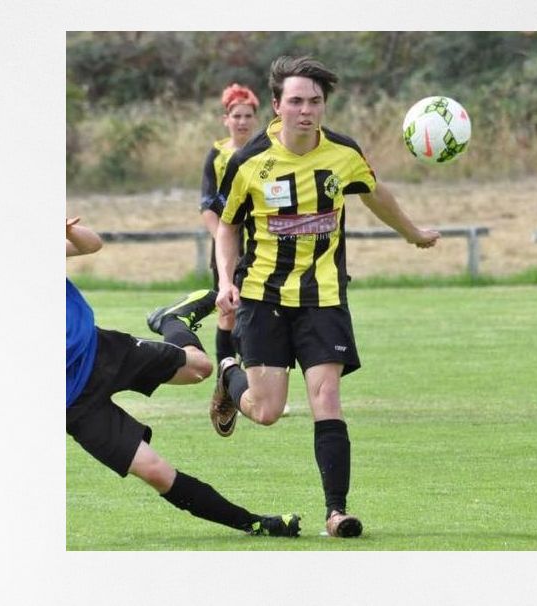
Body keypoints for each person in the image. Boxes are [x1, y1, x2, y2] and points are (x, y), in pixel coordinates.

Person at [210, 56, 441, 538]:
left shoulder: (343, 153)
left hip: (324, 295)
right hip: (263, 296)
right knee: (267, 411)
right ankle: (228, 373)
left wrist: (413, 233)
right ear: (277, 105)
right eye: (296, 101)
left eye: (314, 101)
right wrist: (227, 280)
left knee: (327, 395)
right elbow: (227, 225)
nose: (306, 110)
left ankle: (337, 513)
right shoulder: (248, 161)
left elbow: (375, 193)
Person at [66, 216, 300, 538]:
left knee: (199, 368)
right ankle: (255, 523)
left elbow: (92, 244)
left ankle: (173, 320)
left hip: (103, 352)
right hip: (74, 406)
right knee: (155, 472)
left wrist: (68, 231)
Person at [146, 82, 291, 414]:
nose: (242, 122)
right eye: (236, 116)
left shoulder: (267, 151)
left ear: (257, 118)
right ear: (225, 119)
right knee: (230, 311)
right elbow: (208, 207)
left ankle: (244, 381)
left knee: (260, 313)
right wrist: (225, 242)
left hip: (262, 246)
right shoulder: (218, 155)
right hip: (228, 245)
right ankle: (231, 379)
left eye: (248, 116)